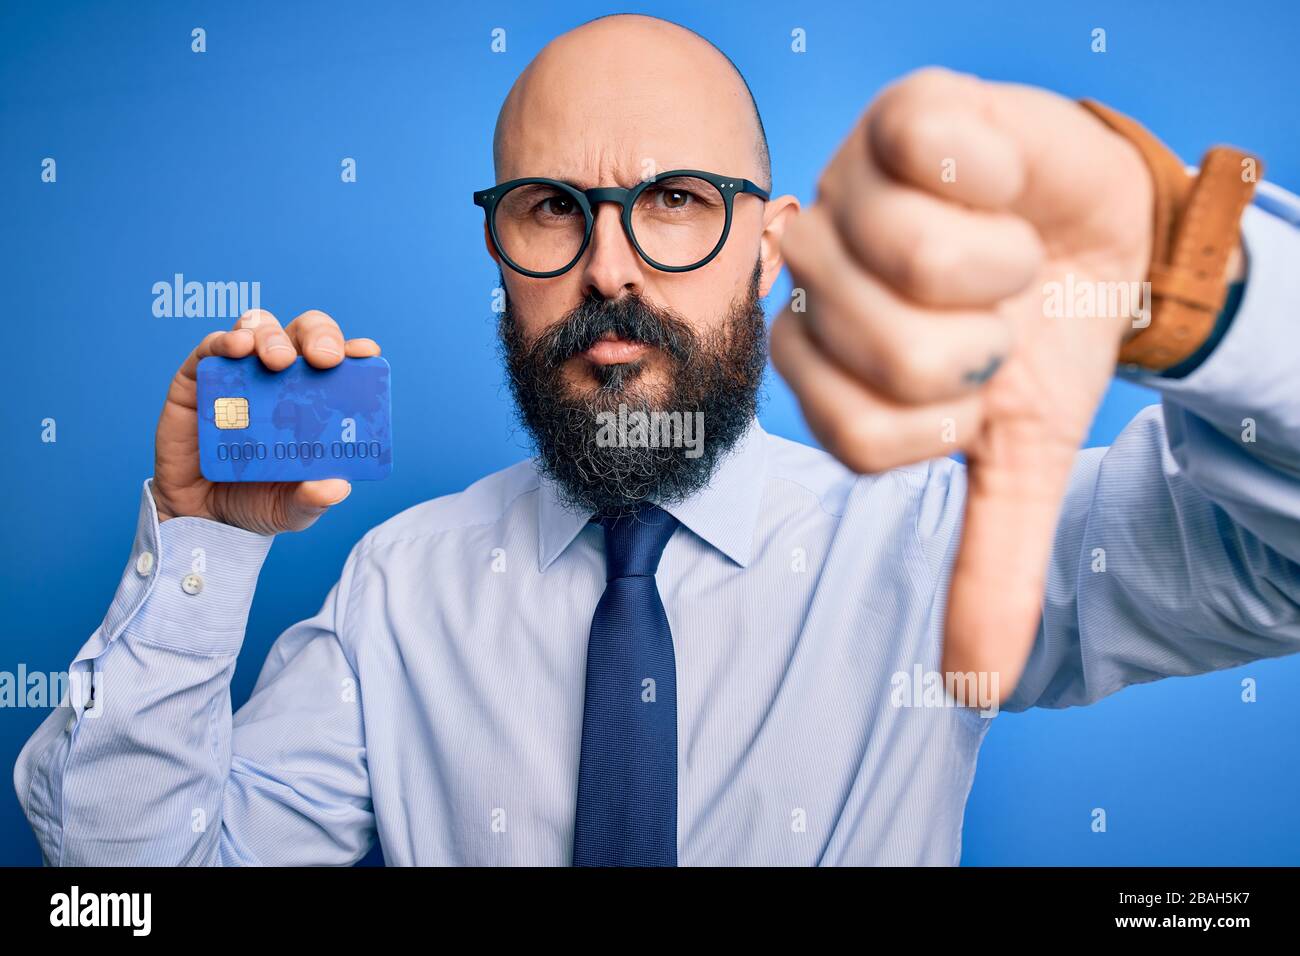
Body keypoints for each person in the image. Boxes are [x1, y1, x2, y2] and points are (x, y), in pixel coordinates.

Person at [16, 14, 1300, 866]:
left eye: (676, 201)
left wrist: (1198, 282)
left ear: (769, 241)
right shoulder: (398, 592)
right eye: (550, 210)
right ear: (499, 251)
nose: (608, 270)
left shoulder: (937, 538)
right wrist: (201, 545)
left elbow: (1277, 560)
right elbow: (126, 881)